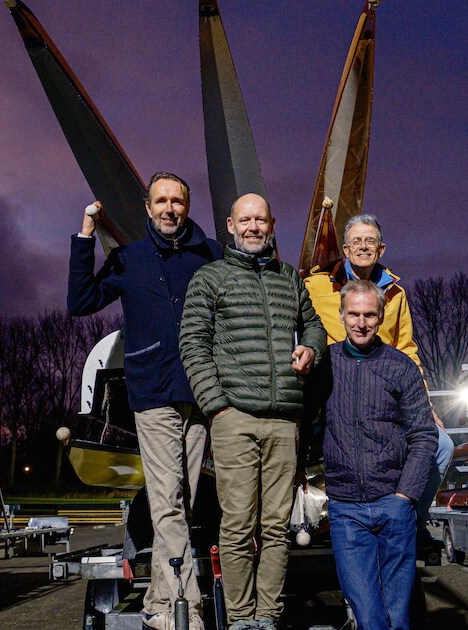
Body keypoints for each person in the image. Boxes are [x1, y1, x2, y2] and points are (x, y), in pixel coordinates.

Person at [68, 172, 222, 630]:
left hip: (199, 391)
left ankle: (157, 601)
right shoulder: (129, 259)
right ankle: (184, 608)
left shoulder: (210, 254)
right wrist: (85, 237)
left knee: (184, 499)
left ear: (186, 207)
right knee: (168, 500)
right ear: (148, 207)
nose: (169, 208)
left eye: (177, 200)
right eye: (161, 200)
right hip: (152, 391)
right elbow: (81, 300)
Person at [179, 193, 326, 630]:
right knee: (239, 524)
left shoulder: (288, 278)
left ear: (272, 223)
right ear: (230, 225)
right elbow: (193, 345)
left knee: (276, 527)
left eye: (261, 220)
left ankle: (268, 618)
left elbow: (314, 325)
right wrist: (218, 408)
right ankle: (241, 619)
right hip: (234, 418)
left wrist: (311, 349)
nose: (254, 227)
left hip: (285, 421)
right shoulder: (210, 278)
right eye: (246, 220)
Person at [304, 214, 454, 551]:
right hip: (335, 392)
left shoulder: (396, 293)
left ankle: (410, 519)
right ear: (344, 248)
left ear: (381, 248)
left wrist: (426, 408)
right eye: (356, 241)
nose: (362, 246)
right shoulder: (316, 286)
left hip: (386, 393)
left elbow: (407, 350)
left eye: (369, 241)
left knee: (442, 445)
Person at [313, 278, 438, 630]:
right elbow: (304, 420)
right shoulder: (325, 365)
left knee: (398, 620)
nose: (361, 323)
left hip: (393, 505)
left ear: (381, 316)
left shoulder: (401, 367)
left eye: (369, 314)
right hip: (346, 510)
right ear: (341, 315)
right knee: (369, 618)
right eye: (353, 314)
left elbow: (423, 435)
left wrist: (405, 496)